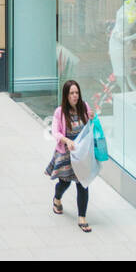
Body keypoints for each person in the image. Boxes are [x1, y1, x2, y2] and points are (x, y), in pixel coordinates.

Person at [46, 79, 94, 233]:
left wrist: (92, 117)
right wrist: (67, 140)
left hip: (81, 155)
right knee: (64, 183)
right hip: (66, 154)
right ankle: (57, 199)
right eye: (71, 93)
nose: (75, 96)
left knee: (82, 184)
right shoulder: (60, 112)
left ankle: (82, 218)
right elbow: (55, 132)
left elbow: (89, 128)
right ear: (66, 96)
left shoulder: (84, 107)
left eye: (77, 93)